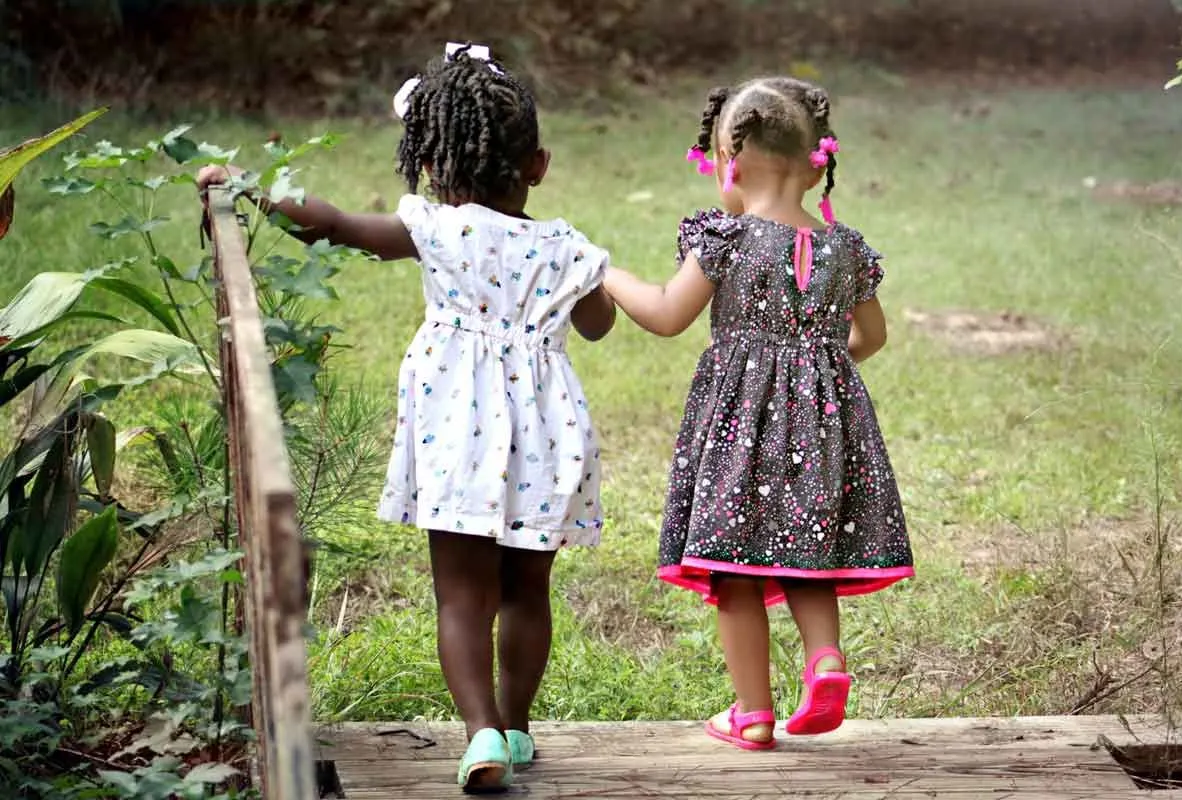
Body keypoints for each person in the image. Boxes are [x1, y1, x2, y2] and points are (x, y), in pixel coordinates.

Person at [197, 43, 616, 792]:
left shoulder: (434, 229)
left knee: (462, 596)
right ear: (540, 166)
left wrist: (248, 188)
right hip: (547, 439)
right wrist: (569, 284)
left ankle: (480, 732)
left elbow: (330, 224)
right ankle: (518, 730)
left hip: (457, 429)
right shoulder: (565, 247)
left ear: (429, 164)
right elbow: (597, 326)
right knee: (529, 591)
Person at [603, 77, 914, 750]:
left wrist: (606, 273)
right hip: (824, 431)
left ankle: (752, 713)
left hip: (739, 436)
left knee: (735, 568)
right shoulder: (848, 249)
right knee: (809, 552)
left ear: (730, 165)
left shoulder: (726, 240)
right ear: (817, 162)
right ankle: (825, 660)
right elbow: (872, 337)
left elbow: (664, 314)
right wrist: (821, 376)